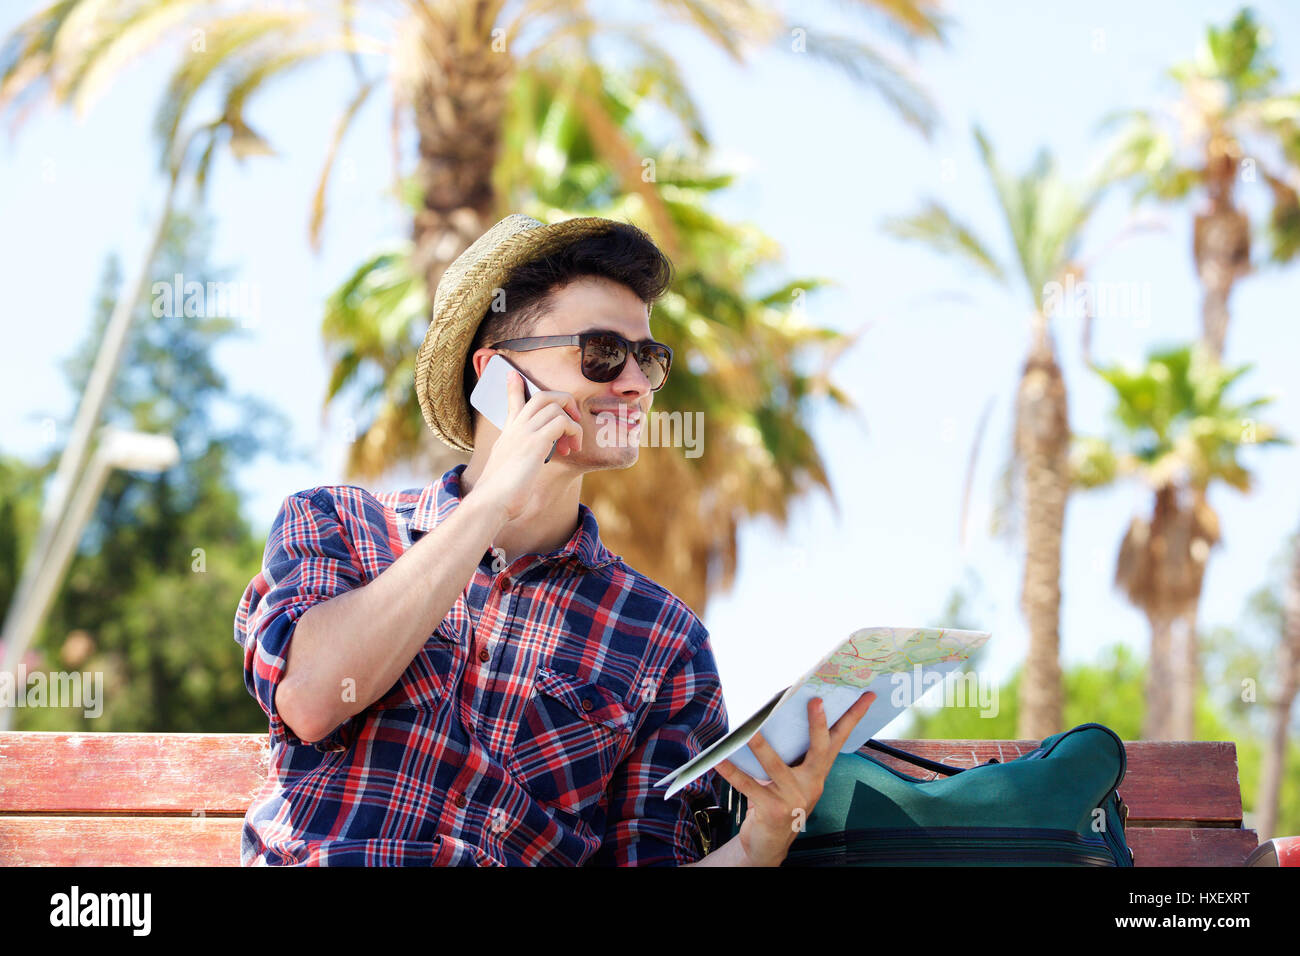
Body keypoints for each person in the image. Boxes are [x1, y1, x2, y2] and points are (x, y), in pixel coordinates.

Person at [232, 213, 875, 866]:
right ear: (496, 376)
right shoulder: (337, 524)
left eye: (648, 360)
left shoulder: (664, 640)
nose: (633, 384)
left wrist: (761, 842)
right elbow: (311, 699)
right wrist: (490, 505)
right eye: (601, 353)